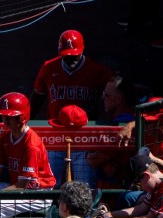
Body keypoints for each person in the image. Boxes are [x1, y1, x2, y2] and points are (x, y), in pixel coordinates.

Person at [33, 29, 114, 181]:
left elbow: (117, 90)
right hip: (55, 137)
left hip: (84, 138)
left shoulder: (96, 70)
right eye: (67, 55)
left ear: (82, 50)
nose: (71, 59)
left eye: (74, 55)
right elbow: (37, 98)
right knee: (48, 185)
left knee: (84, 188)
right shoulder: (48, 68)